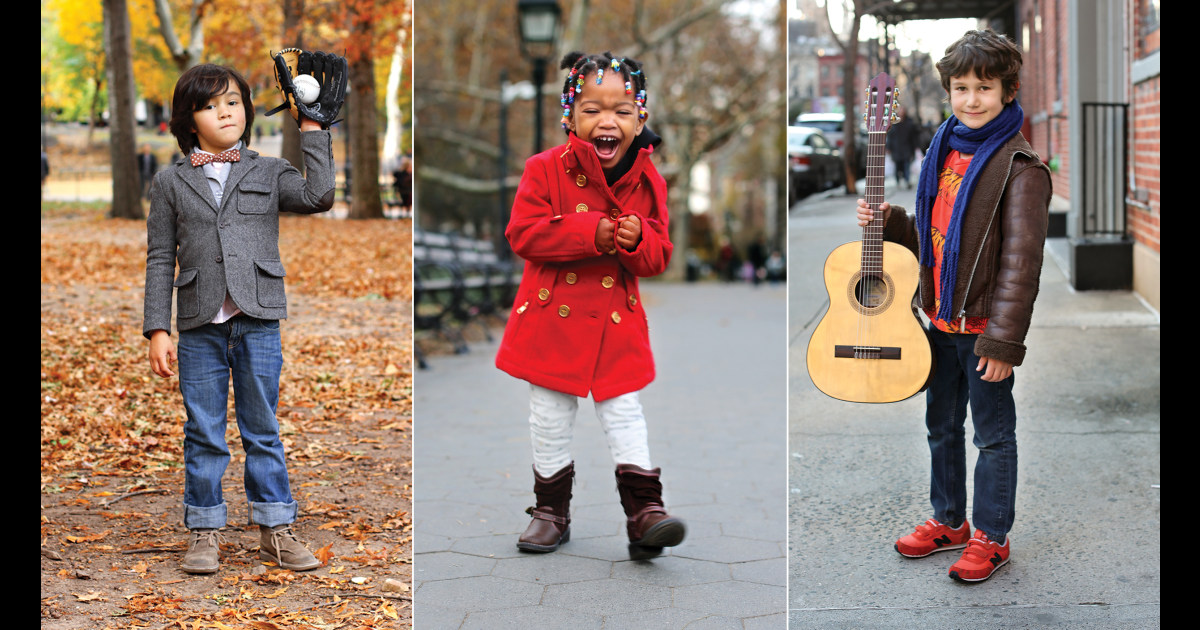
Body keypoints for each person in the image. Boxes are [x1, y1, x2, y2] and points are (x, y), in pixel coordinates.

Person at [855, 29, 1051, 583]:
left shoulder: (1021, 168)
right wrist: (891, 224)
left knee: (991, 434)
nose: (970, 99)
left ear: (1008, 91)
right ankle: (950, 520)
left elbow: (1021, 265)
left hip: (985, 327)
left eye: (983, 88)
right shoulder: (943, 150)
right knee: (940, 425)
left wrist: (1004, 341)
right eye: (960, 88)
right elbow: (933, 236)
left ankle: (991, 535)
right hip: (936, 319)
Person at [143, 63, 336, 575]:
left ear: (248, 109)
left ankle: (275, 529)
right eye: (209, 105)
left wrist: (312, 128)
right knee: (204, 430)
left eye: (232, 101)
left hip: (258, 318)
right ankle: (204, 531)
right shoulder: (169, 182)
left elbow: (320, 197)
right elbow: (161, 256)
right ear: (189, 121)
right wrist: (157, 327)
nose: (224, 111)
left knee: (262, 428)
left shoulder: (268, 170)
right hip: (199, 324)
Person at [494, 51, 685, 560]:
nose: (608, 121)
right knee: (550, 415)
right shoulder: (544, 169)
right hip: (551, 316)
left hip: (615, 323)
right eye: (592, 110)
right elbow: (523, 234)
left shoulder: (650, 182)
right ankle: (550, 512)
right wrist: (592, 232)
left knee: (625, 413)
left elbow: (658, 256)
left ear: (640, 117)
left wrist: (635, 237)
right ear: (571, 118)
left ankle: (645, 514)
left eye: (622, 111)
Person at [885, 106, 920, 189]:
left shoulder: (910, 123)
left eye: (902, 111)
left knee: (906, 165)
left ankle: (907, 181)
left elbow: (914, 136)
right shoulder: (893, 124)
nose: (901, 112)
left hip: (907, 148)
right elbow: (890, 136)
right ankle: (898, 182)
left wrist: (916, 147)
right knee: (897, 167)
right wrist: (888, 148)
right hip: (896, 149)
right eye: (900, 111)